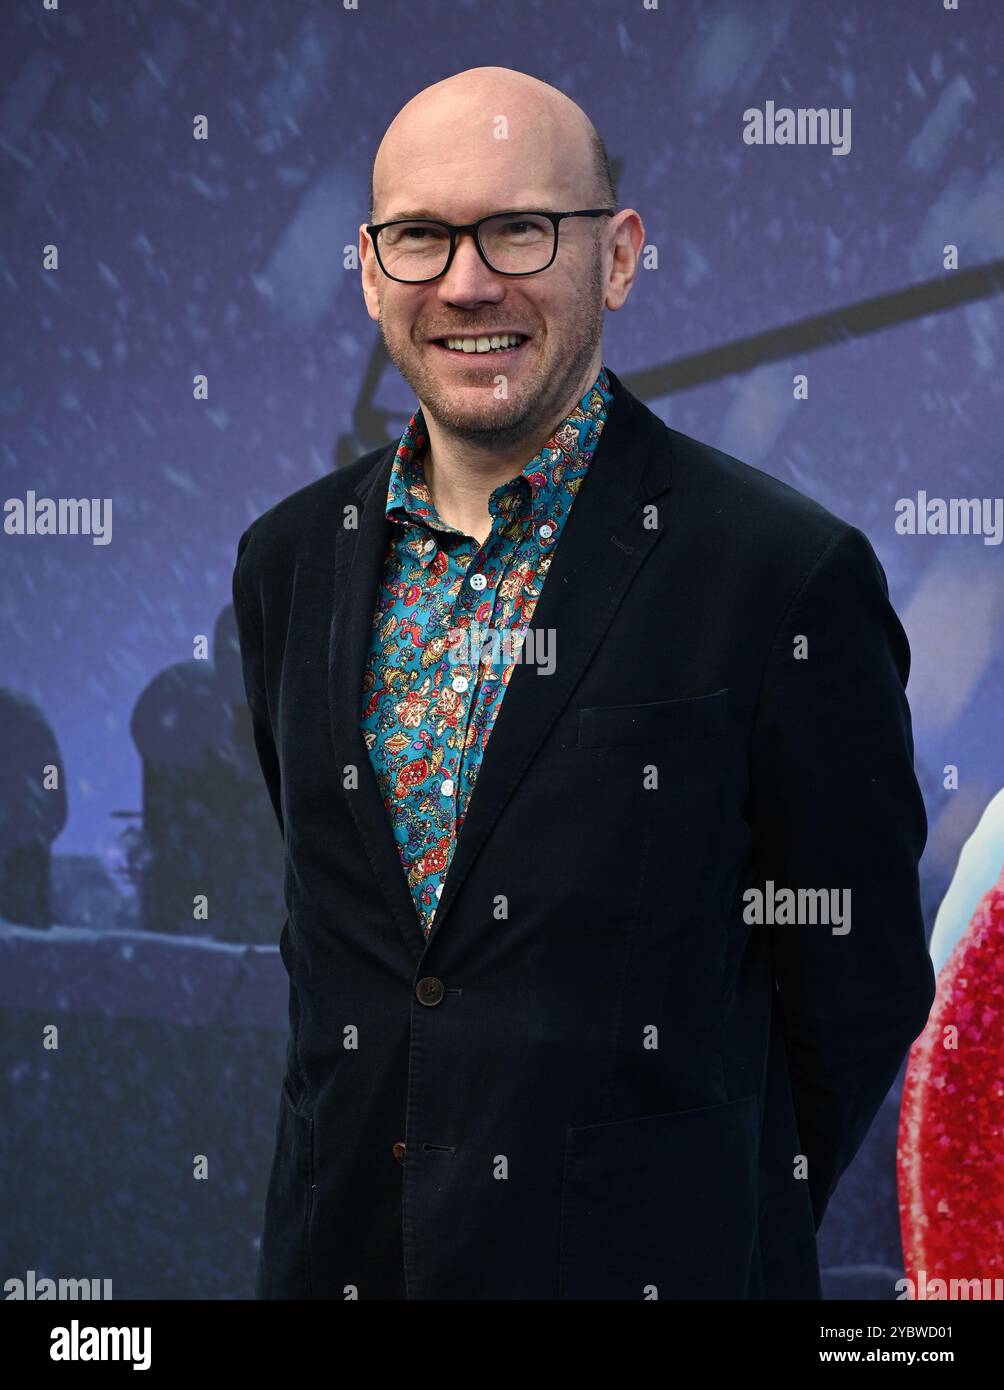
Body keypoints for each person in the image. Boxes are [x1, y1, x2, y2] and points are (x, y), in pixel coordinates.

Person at [232, 65, 935, 1300]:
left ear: (615, 256)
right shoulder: (286, 563)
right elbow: (342, 951)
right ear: (367, 268)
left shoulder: (781, 575)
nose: (465, 281)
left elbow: (855, 979)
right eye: (420, 237)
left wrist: (695, 1213)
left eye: (517, 229)